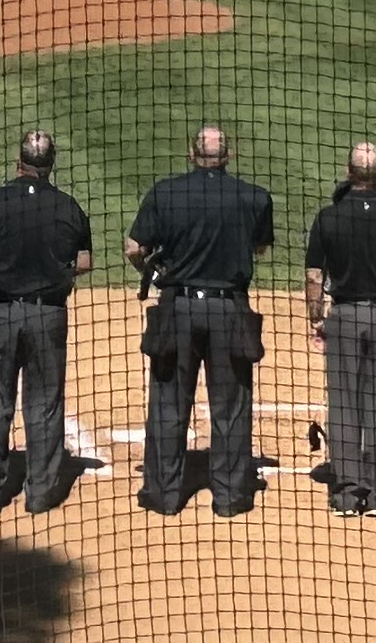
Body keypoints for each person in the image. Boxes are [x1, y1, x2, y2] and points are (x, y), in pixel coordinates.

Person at [127, 123, 276, 517]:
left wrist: (154, 272)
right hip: (229, 310)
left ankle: (163, 495)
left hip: (177, 308)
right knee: (231, 407)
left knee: (168, 402)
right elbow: (260, 247)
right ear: (228, 156)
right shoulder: (254, 197)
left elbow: (133, 247)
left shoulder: (166, 192)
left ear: (191, 154)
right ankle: (230, 498)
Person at [305, 140, 376, 514]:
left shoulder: (329, 218)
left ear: (348, 171)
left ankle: (347, 492)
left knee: (344, 402)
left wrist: (316, 317)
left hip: (344, 316)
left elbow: (314, 274)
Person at [0, 130, 90, 517]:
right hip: (48, 315)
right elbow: (84, 262)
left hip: (2, 313)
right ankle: (40, 493)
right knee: (44, 402)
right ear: (51, 164)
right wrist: (54, 272)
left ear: (19, 162)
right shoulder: (68, 206)